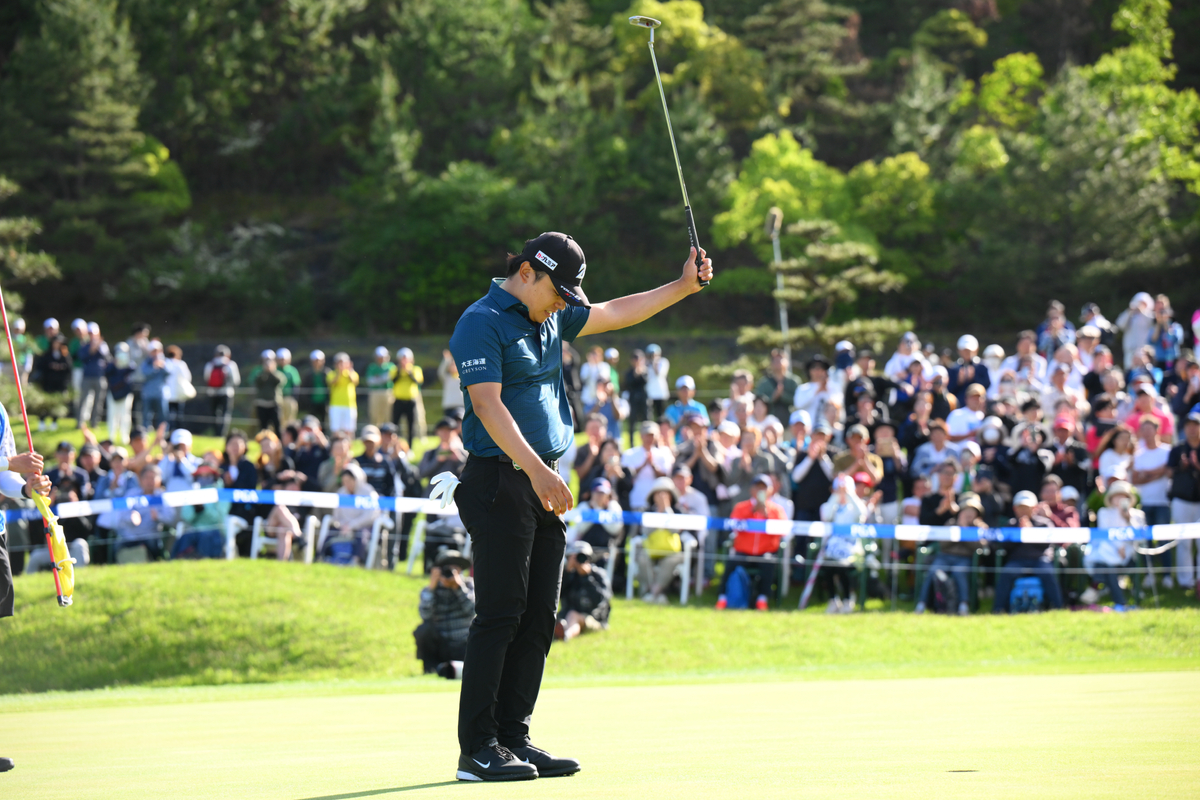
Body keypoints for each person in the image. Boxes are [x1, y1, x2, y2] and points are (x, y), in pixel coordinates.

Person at [447, 230, 712, 781]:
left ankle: (513, 738)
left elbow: (613, 312)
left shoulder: (549, 312)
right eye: (557, 292)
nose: (562, 305)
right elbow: (488, 407)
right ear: (527, 272)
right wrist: (537, 471)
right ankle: (478, 748)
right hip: (499, 480)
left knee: (539, 616)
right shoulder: (481, 321)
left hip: (542, 480)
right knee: (500, 613)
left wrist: (682, 287)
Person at [717, 474, 786, 610]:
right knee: (731, 564)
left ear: (770, 490)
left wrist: (766, 515)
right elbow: (734, 526)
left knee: (768, 563)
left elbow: (782, 531)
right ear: (751, 489)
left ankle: (762, 599)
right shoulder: (741, 507)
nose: (760, 491)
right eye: (757, 487)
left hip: (765, 551)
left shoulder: (776, 509)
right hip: (743, 551)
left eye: (764, 488)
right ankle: (722, 597)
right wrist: (752, 511)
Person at [993, 490, 1064, 613]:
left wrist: (1030, 532)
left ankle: (1058, 607)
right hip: (1017, 561)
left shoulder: (1044, 523)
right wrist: (1018, 533)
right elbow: (1005, 546)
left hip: (1040, 559)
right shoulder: (1010, 524)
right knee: (1006, 574)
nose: (1024, 511)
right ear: (1015, 509)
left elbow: (1046, 544)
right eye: (1021, 508)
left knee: (1048, 574)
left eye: (1027, 508)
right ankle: (999, 609)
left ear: (1034, 508)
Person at [914, 494, 984, 615]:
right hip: (944, 557)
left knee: (959, 573)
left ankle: (963, 605)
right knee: (933, 571)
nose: (969, 514)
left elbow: (978, 547)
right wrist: (958, 530)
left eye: (972, 511)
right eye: (966, 510)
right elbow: (943, 545)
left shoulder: (980, 527)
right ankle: (922, 604)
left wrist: (964, 530)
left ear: (977, 514)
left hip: (964, 559)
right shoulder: (951, 523)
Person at [1084, 480, 1144, 608]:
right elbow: (1105, 534)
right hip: (1107, 549)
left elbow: (1140, 538)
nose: (1120, 499)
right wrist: (1119, 547)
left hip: (1127, 553)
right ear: (1111, 498)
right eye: (1117, 496)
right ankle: (1120, 602)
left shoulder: (1137, 515)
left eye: (1123, 496)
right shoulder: (1103, 513)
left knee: (1106, 564)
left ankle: (1095, 586)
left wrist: (1128, 519)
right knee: (1107, 563)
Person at [415, 550, 475, 676]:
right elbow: (425, 615)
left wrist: (459, 588)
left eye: (455, 569)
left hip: (464, 644)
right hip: (441, 645)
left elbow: (473, 610)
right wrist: (432, 587)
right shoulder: (430, 590)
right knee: (423, 630)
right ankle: (430, 669)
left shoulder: (469, 585)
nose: (450, 573)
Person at [635, 476, 686, 603]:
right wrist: (658, 513)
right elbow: (644, 532)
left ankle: (654, 592)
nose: (661, 497)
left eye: (665, 494)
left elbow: (675, 530)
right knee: (642, 558)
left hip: (671, 551)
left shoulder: (678, 511)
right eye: (658, 493)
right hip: (650, 550)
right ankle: (653, 593)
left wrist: (667, 510)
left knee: (671, 561)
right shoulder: (647, 511)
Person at [1167, 412, 1200, 593]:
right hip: (1182, 500)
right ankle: (1185, 581)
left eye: (1195, 425)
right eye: (1188, 425)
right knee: (1184, 543)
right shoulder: (1177, 449)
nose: (1192, 429)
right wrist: (1182, 467)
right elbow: (1168, 472)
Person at [556, 540, 611, 641]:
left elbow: (601, 600)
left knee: (573, 615)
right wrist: (567, 573)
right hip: (566, 616)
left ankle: (566, 635)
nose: (579, 560)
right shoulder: (569, 576)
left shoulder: (598, 575)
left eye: (581, 557)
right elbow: (556, 596)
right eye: (574, 557)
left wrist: (586, 577)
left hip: (594, 619)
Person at [622, 421, 675, 511]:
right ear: (641, 436)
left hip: (656, 504)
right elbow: (625, 478)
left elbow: (666, 477)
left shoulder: (663, 455)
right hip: (635, 501)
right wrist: (643, 465)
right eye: (646, 435)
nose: (649, 438)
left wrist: (653, 465)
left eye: (652, 435)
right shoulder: (629, 454)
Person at [203, 345, 240, 437]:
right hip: (226, 392)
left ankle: (215, 433)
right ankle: (222, 434)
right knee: (225, 414)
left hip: (212, 392)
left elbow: (206, 378)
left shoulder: (210, 364)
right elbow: (236, 380)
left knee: (214, 414)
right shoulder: (230, 364)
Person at [1115, 292, 1155, 370]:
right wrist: (1129, 311)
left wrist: (1142, 311)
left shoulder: (1150, 315)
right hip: (1130, 351)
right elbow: (1120, 324)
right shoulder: (1130, 314)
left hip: (1144, 352)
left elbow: (1153, 322)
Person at [391, 347, 423, 442]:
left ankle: (410, 445)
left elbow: (417, 381)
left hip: (411, 400)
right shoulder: (395, 369)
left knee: (411, 425)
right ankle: (394, 444)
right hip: (398, 400)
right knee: (395, 425)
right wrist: (400, 370)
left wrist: (408, 371)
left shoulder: (415, 369)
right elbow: (393, 380)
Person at [251, 350, 285, 436]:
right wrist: (264, 372)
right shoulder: (259, 373)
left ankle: (279, 442)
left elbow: (280, 382)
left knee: (277, 426)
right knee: (263, 427)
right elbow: (257, 382)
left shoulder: (277, 374)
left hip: (274, 403)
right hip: (261, 403)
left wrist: (272, 371)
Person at [327, 352, 360, 436]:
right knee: (335, 430)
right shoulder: (332, 374)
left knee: (349, 430)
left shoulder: (352, 373)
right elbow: (332, 383)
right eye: (339, 363)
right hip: (335, 405)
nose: (341, 365)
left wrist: (349, 370)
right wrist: (339, 373)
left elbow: (354, 381)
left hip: (350, 405)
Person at [163, 345, 195, 428]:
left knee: (168, 414)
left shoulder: (165, 363)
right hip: (179, 394)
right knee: (179, 414)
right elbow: (187, 377)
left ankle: (169, 429)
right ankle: (178, 429)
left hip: (167, 394)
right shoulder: (181, 364)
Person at [623, 349, 650, 446]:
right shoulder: (629, 372)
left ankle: (647, 442)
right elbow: (629, 383)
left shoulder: (645, 371)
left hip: (643, 399)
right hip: (633, 400)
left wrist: (640, 372)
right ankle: (631, 444)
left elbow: (645, 382)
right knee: (632, 423)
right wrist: (635, 373)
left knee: (646, 422)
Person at [365, 346, 396, 426]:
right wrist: (383, 378)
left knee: (388, 415)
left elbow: (389, 377)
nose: (381, 359)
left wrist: (378, 378)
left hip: (388, 392)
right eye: (379, 357)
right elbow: (370, 381)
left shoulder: (391, 366)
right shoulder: (372, 367)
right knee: (375, 416)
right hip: (375, 392)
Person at [276, 348, 302, 427]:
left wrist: (294, 399)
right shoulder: (275, 370)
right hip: (277, 399)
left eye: (284, 359)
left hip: (289, 398)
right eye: (281, 359)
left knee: (290, 420)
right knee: (278, 420)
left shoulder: (292, 370)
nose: (282, 361)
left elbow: (296, 385)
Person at [645, 343, 671, 419]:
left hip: (661, 393)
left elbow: (659, 374)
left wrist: (654, 362)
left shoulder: (663, 362)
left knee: (661, 416)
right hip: (649, 393)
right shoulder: (646, 363)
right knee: (649, 415)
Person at [305, 350, 330, 425]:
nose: (317, 362)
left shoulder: (327, 373)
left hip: (324, 403)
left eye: (319, 360)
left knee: (324, 422)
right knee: (311, 422)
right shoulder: (308, 374)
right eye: (315, 360)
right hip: (312, 403)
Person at [438, 349, 465, 420]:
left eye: (455, 365)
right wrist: (447, 360)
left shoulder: (462, 378)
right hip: (449, 406)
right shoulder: (446, 378)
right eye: (451, 365)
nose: (453, 366)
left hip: (461, 405)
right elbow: (440, 371)